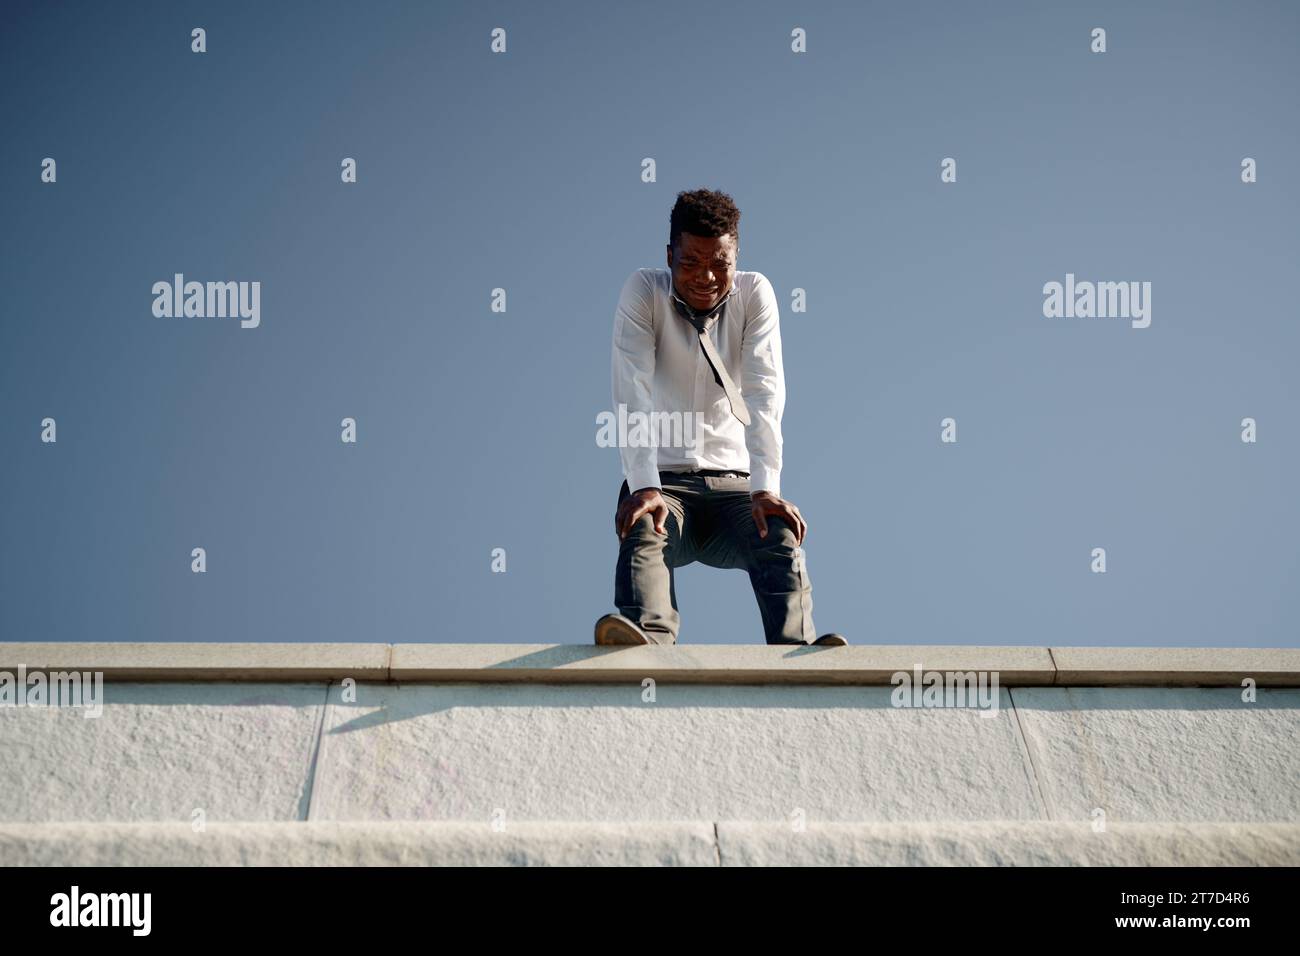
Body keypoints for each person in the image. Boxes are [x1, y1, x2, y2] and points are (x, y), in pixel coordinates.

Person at [595, 187, 846, 647]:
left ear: (737, 257)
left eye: (719, 263)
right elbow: (631, 390)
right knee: (644, 525)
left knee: (779, 534)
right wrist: (644, 485)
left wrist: (766, 487)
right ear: (669, 255)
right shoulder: (644, 292)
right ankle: (647, 641)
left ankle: (797, 653)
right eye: (690, 262)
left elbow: (765, 391)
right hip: (665, 481)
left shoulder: (755, 294)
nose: (705, 276)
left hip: (735, 487)